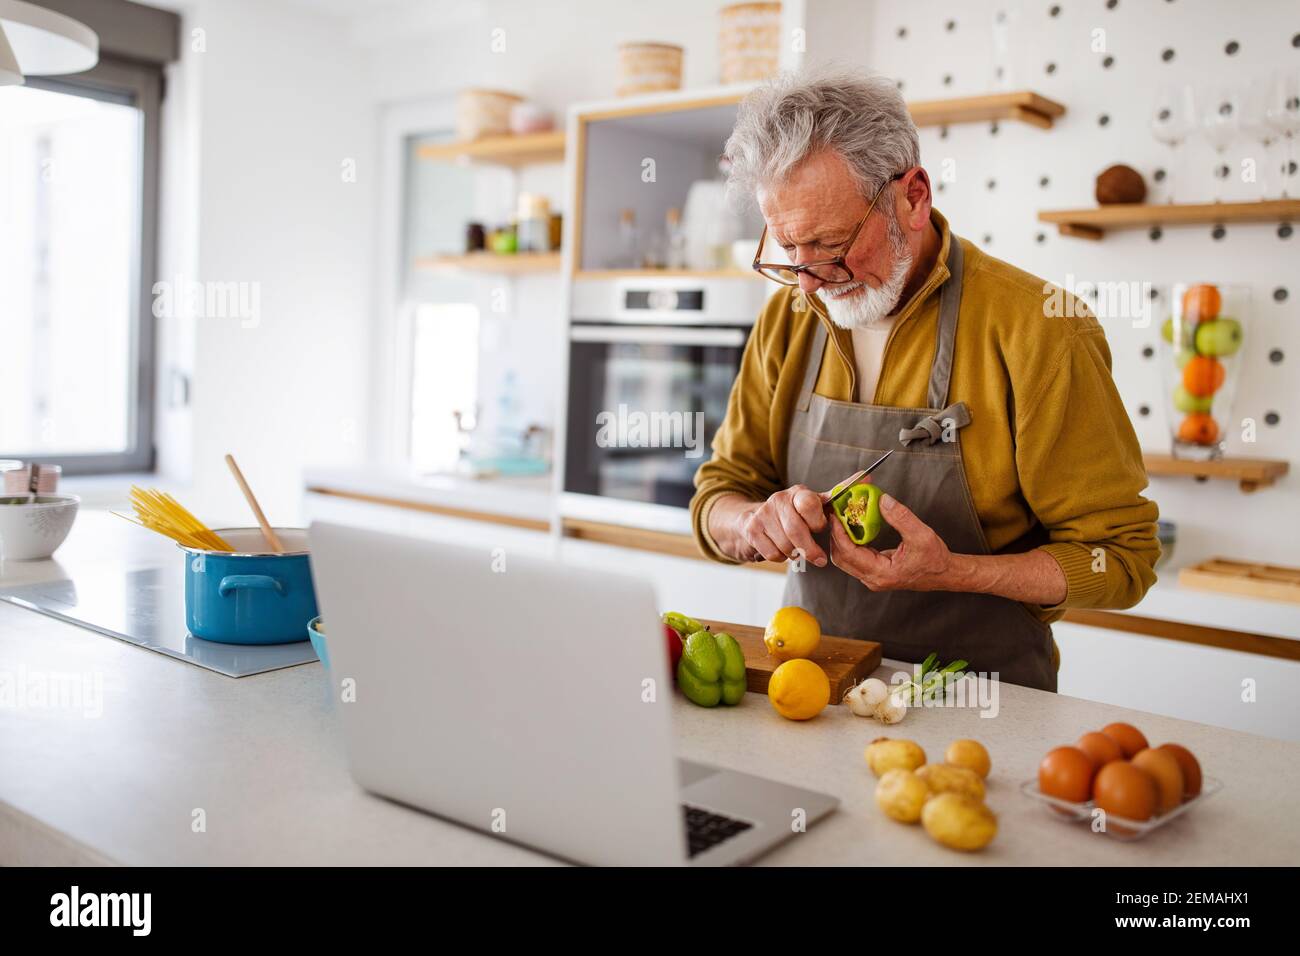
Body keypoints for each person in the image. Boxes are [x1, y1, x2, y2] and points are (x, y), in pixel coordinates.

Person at [689, 68, 1160, 691]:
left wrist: (955, 572)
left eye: (829, 245)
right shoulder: (790, 315)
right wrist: (749, 525)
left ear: (913, 196)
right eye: (786, 248)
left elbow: (1121, 558)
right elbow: (719, 493)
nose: (806, 281)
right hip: (812, 689)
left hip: (989, 705)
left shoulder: (1040, 328)